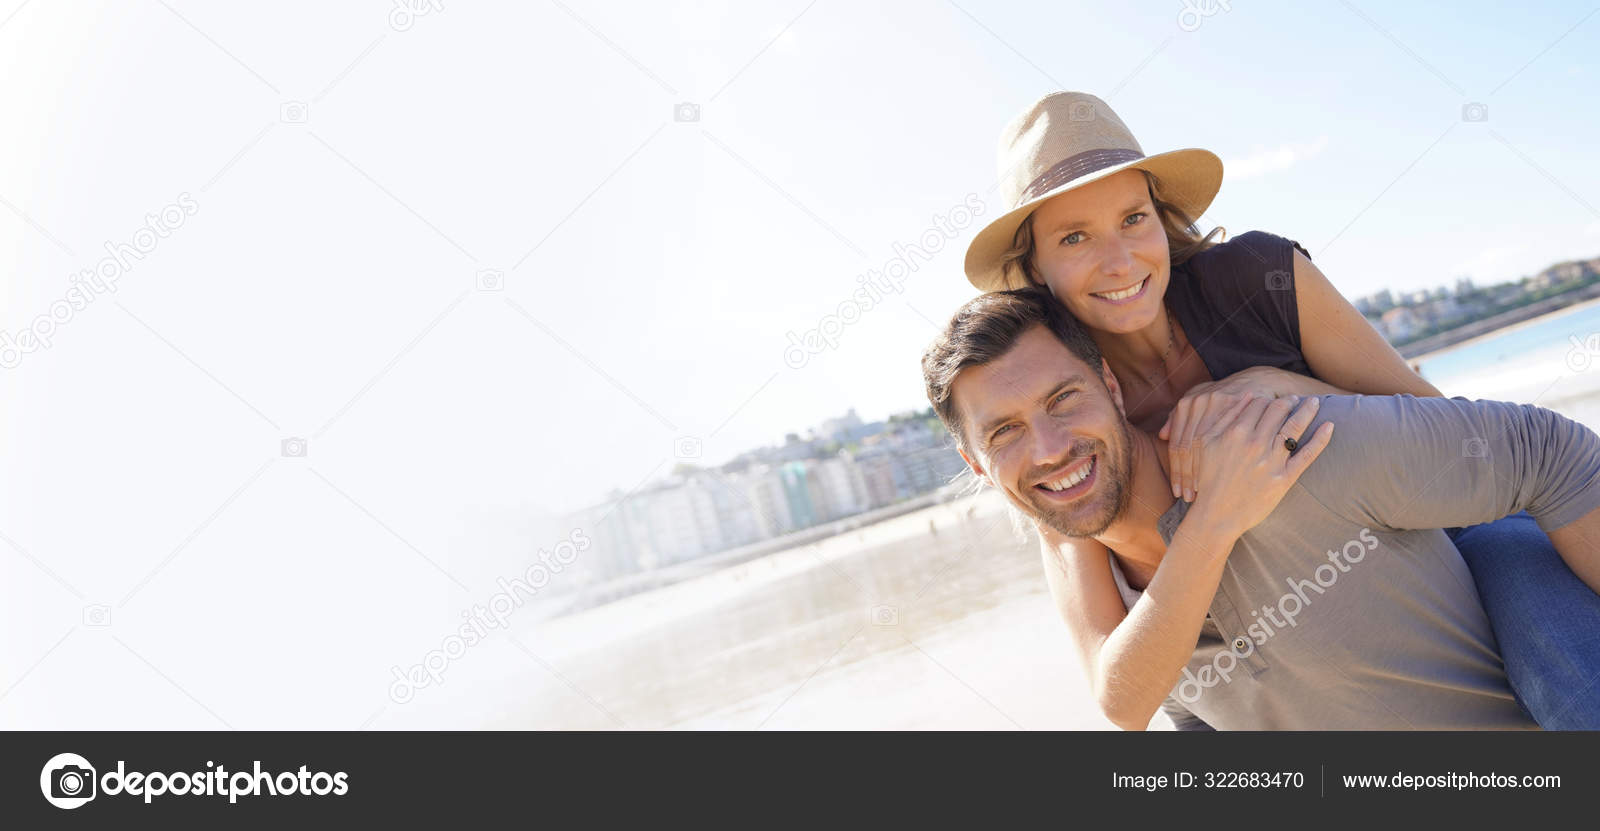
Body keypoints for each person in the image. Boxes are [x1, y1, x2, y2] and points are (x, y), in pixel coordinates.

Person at [958, 91, 1600, 728]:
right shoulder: (1070, 402)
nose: (1120, 261)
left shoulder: (1256, 279)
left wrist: (1280, 386)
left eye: (1133, 218)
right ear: (1034, 267)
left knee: (1562, 679)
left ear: (1161, 217)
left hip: (1473, 522)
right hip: (1327, 623)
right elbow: (1128, 671)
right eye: (1075, 237)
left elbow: (1443, 425)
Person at [920, 287, 1600, 729]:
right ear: (977, 466)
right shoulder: (1120, 612)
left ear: (1109, 384)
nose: (1048, 448)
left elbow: (1550, 452)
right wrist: (1212, 524)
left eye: (1063, 399)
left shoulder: (1280, 446)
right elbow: (1165, 707)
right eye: (1004, 432)